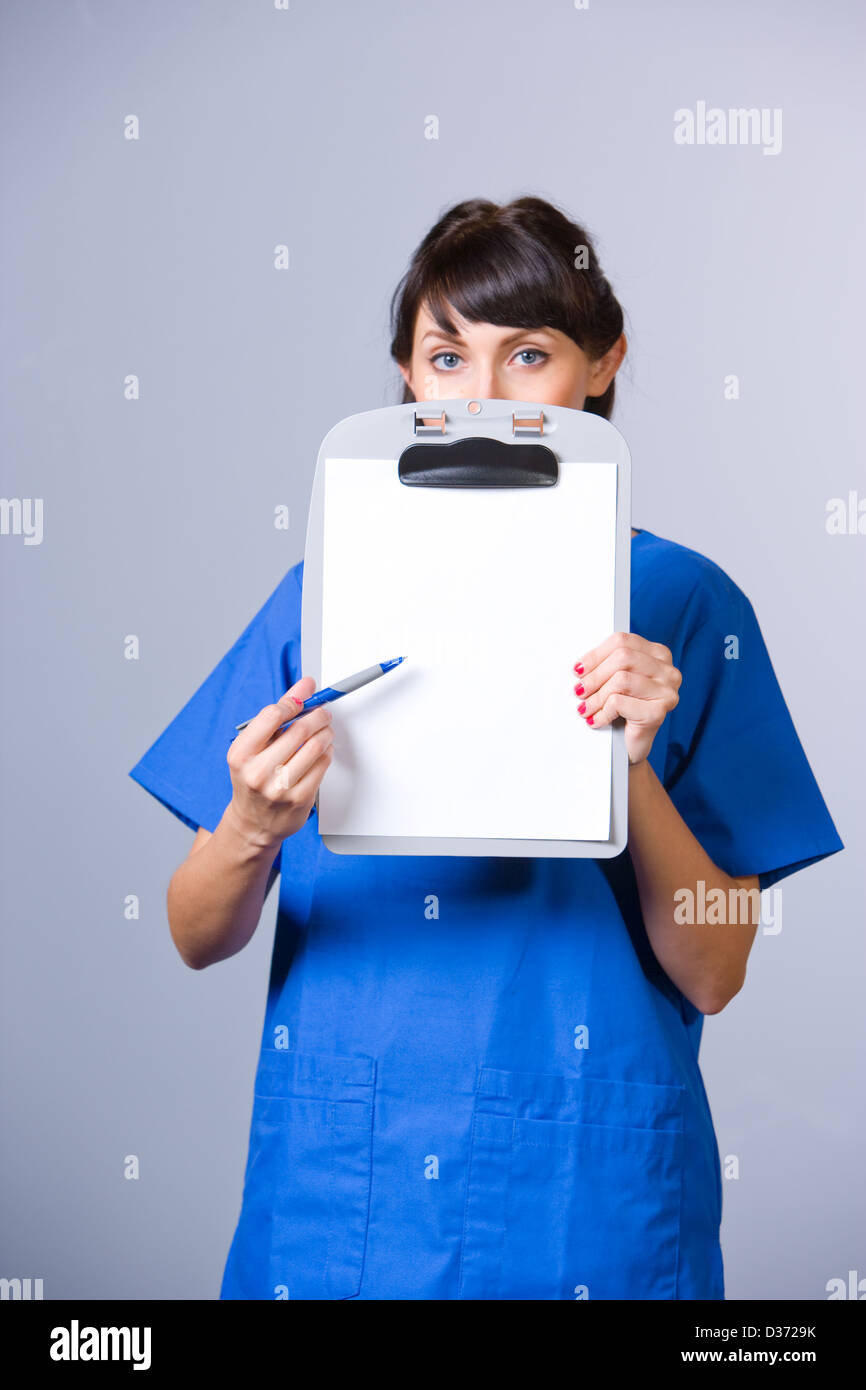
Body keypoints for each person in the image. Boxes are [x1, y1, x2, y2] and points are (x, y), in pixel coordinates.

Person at [128, 196, 844, 1300]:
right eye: (446, 355)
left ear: (600, 367)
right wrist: (249, 826)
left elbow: (713, 967)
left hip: (587, 1192)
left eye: (528, 355)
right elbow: (193, 933)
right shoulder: (321, 599)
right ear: (408, 375)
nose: (482, 396)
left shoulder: (685, 606)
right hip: (343, 1190)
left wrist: (633, 766)